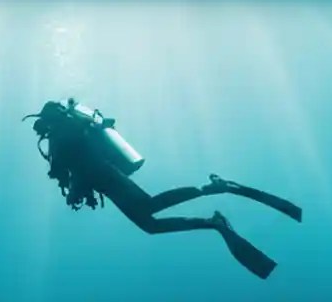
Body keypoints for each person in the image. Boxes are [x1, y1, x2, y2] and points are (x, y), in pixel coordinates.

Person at [25, 100, 302, 279]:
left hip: (108, 178)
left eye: (42, 124)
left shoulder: (61, 134)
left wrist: (66, 181)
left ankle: (211, 189)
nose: (42, 130)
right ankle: (212, 220)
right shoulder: (67, 130)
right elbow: (75, 170)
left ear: (48, 120)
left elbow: (67, 166)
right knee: (150, 224)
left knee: (150, 208)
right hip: (106, 180)